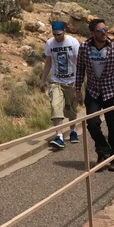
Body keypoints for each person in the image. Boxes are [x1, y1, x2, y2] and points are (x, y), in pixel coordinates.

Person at [76, 19, 114, 171]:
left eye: (106, 29)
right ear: (92, 33)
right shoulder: (84, 47)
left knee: (113, 127)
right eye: (100, 30)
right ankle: (103, 150)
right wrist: (77, 90)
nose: (104, 33)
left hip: (111, 92)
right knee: (92, 123)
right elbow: (80, 69)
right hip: (93, 92)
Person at [42, 21, 82, 150]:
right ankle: (59, 136)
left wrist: (78, 80)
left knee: (71, 108)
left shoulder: (73, 42)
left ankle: (72, 130)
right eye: (54, 35)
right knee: (55, 106)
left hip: (71, 81)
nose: (57, 37)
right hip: (56, 81)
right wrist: (43, 80)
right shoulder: (49, 44)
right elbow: (48, 62)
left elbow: (79, 62)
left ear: (64, 31)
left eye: (59, 34)